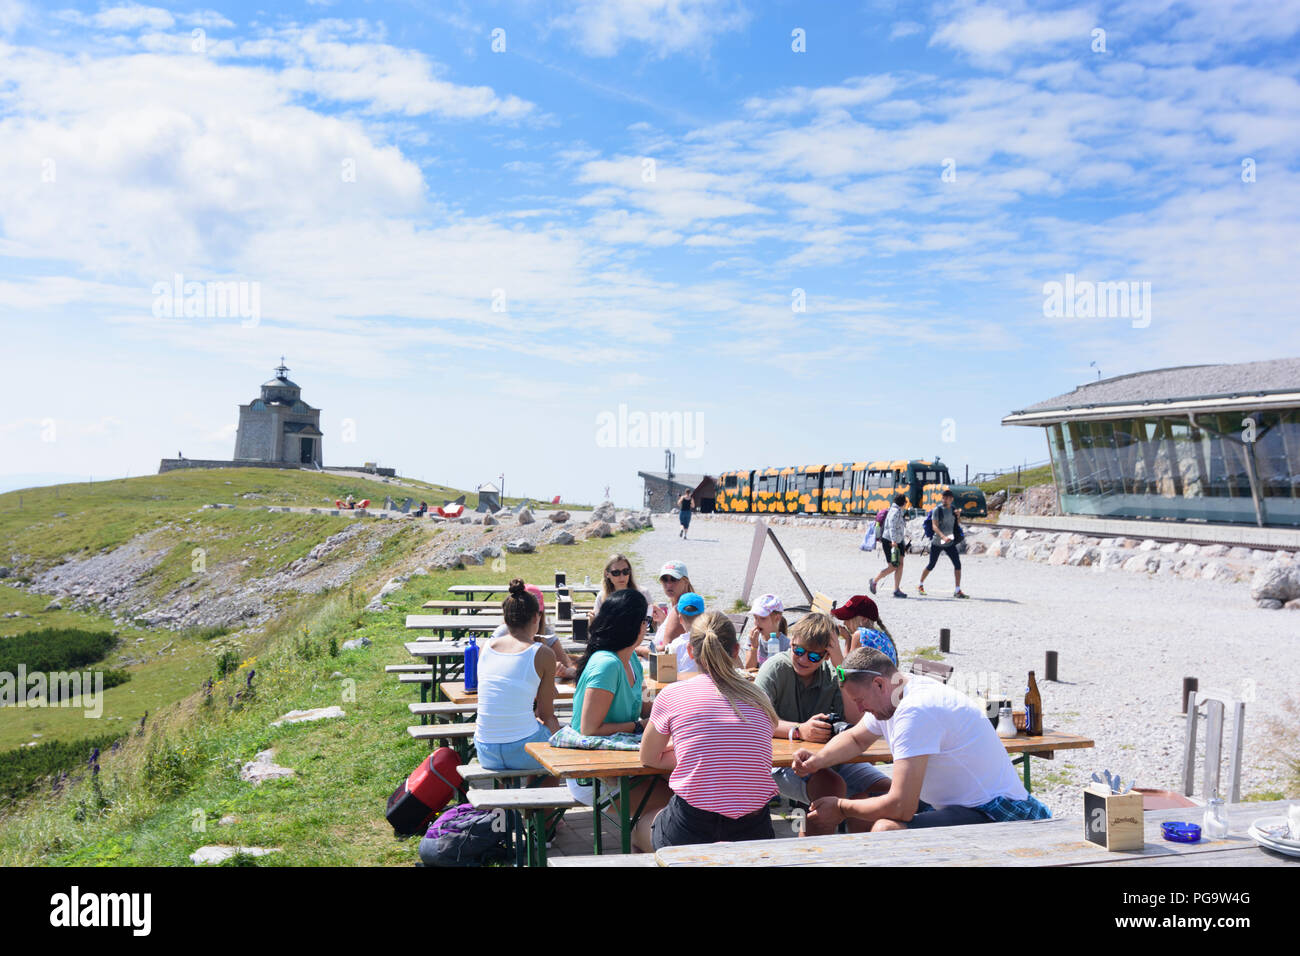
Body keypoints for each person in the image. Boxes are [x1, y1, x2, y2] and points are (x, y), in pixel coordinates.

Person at [795, 646, 1051, 832]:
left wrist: (840, 807)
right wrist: (817, 761)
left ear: (879, 684)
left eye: (860, 702)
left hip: (995, 814)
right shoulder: (896, 692)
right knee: (865, 804)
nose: (860, 710)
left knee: (886, 830)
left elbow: (901, 807)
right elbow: (856, 739)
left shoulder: (915, 710)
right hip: (958, 807)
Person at [640, 611, 780, 849]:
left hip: (692, 826)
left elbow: (648, 757)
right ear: (736, 650)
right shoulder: (760, 697)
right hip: (754, 828)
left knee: (640, 825)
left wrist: (689, 755)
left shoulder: (673, 694)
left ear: (690, 651)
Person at [757, 613, 890, 835]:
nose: (802, 659)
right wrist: (799, 731)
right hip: (781, 762)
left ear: (826, 656)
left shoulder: (833, 674)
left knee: (883, 791)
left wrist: (841, 664)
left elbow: (855, 723)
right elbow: (756, 720)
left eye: (813, 656)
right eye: (798, 651)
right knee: (831, 787)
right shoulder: (775, 668)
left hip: (833, 757)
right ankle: (812, 856)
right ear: (791, 643)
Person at [567, 588, 671, 850]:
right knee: (675, 807)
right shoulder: (607, 664)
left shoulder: (631, 661)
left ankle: (640, 844)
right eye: (646, 622)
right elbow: (590, 729)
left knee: (684, 792)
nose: (647, 627)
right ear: (634, 625)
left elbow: (646, 708)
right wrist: (637, 726)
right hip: (593, 775)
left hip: (622, 768)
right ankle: (640, 844)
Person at [473, 580, 562, 780]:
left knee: (531, 727)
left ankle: (507, 805)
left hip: (486, 751)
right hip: (522, 750)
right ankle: (539, 807)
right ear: (536, 618)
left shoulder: (485, 647)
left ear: (505, 620)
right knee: (553, 731)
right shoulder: (543, 653)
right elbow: (546, 714)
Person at [490, 584, 576, 679]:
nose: (529, 620)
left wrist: (564, 671)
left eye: (538, 613)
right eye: (524, 614)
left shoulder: (546, 633)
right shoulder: (502, 633)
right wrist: (547, 669)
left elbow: (570, 667)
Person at [918, 488, 969, 598]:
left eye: (947, 498)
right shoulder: (937, 510)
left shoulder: (953, 510)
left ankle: (957, 590)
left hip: (949, 542)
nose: (944, 500)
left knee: (957, 564)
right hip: (937, 541)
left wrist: (958, 516)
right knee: (931, 565)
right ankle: (920, 584)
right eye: (943, 498)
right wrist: (943, 536)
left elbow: (958, 523)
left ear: (951, 499)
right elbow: (934, 526)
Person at [646, 560, 695, 657]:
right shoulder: (684, 604)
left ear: (686, 581)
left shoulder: (681, 609)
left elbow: (665, 651)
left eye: (674, 579)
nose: (668, 585)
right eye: (665, 579)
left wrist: (635, 649)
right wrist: (664, 620)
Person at [588, 553, 654, 621]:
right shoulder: (601, 596)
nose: (622, 577)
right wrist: (592, 621)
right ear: (607, 574)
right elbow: (596, 629)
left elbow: (653, 625)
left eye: (625, 571)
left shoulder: (643, 593)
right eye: (616, 573)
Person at [741, 593, 798, 669]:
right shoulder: (753, 638)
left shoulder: (787, 645)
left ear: (777, 618)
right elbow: (749, 669)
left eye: (762, 618)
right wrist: (754, 647)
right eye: (755, 617)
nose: (757, 623)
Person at [829, 594, 894, 660]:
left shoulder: (860, 634)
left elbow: (845, 668)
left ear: (864, 619)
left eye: (848, 618)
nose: (844, 623)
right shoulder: (882, 636)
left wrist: (846, 641)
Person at [870, 493, 909, 598]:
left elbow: (899, 527)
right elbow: (891, 527)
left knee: (900, 565)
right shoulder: (895, 512)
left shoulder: (899, 511)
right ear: (903, 503)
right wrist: (893, 541)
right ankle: (874, 581)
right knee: (893, 567)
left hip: (899, 541)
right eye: (906, 502)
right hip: (890, 541)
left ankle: (896, 589)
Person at [665, 592, 705, 676]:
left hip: (681, 686)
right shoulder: (709, 640)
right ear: (703, 617)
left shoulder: (675, 644)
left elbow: (667, 673)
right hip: (707, 685)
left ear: (680, 619)